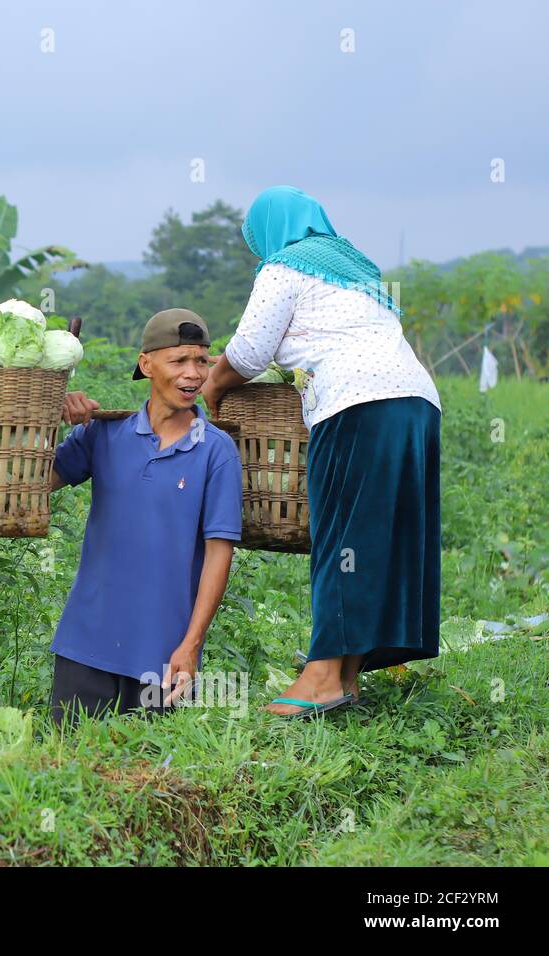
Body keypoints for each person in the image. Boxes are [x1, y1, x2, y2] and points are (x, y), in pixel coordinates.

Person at [201, 185, 442, 718]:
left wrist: (214, 388)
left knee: (341, 535)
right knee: (381, 535)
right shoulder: (356, 269)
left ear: (268, 232)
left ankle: (321, 677)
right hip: (417, 404)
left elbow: (248, 350)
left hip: (357, 404)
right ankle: (349, 674)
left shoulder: (283, 267)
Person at [49, 309, 242, 724]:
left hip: (164, 660)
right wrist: (50, 414)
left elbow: (218, 554)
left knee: (151, 781)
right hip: (85, 647)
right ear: (146, 364)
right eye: (179, 361)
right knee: (64, 773)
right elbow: (28, 484)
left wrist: (191, 645)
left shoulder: (216, 450)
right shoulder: (103, 433)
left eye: (202, 361)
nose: (193, 374)